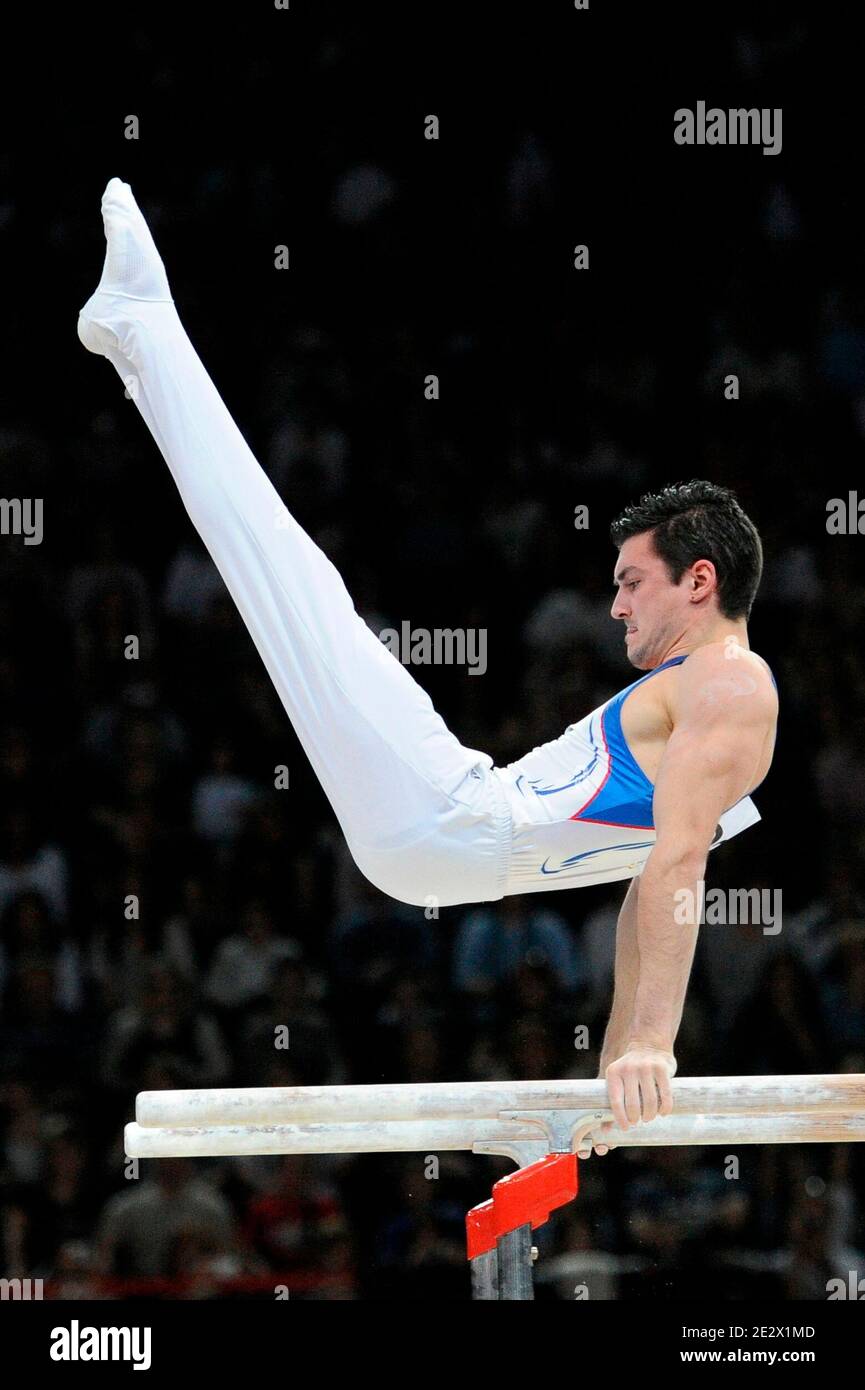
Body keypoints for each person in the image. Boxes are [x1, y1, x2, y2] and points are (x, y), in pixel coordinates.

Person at [78, 179, 778, 1137]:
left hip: (452, 820)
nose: (611, 604)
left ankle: (145, 328)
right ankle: (138, 344)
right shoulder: (690, 690)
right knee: (284, 583)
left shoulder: (731, 684)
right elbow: (653, 874)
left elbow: (678, 866)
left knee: (294, 579)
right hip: (443, 836)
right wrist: (622, 1051)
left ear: (699, 581)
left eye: (631, 581)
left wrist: (651, 1042)